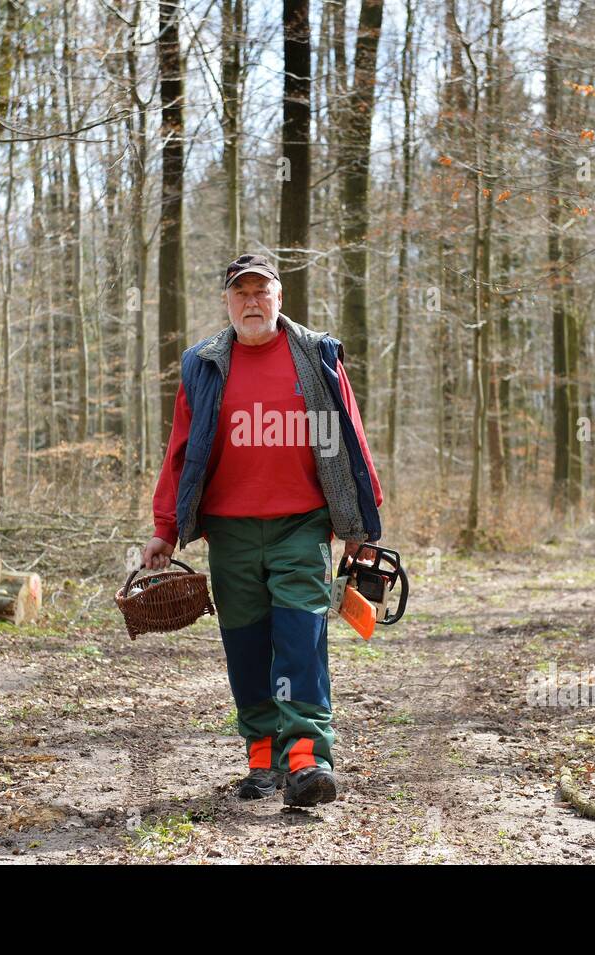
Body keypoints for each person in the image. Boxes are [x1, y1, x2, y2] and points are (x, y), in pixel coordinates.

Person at [141, 253, 384, 807]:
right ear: (227, 302)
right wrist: (164, 527)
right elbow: (182, 450)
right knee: (247, 646)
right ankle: (261, 758)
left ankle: (306, 759)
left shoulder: (316, 355)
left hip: (302, 524)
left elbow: (350, 436)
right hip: (229, 531)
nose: (251, 301)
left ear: (279, 297)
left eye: (261, 291)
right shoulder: (203, 365)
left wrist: (362, 521)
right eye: (241, 293)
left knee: (300, 638)